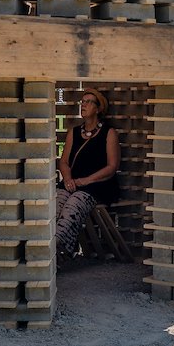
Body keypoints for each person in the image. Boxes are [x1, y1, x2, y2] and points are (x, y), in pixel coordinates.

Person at [56, 88, 121, 259]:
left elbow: (112, 167)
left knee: (73, 206)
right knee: (55, 204)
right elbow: (63, 162)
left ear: (98, 109)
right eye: (82, 102)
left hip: (97, 185)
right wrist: (68, 179)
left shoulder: (109, 133)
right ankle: (48, 250)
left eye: (88, 102)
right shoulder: (74, 133)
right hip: (73, 183)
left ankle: (59, 249)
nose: (83, 105)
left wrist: (86, 181)